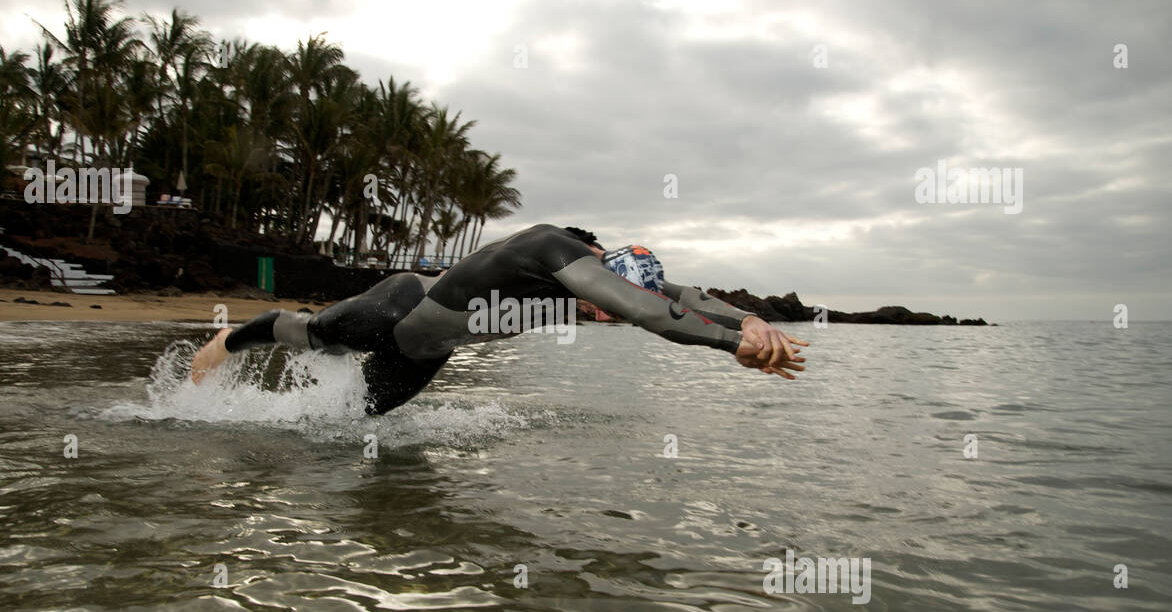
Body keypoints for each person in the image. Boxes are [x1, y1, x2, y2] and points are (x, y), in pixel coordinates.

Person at [190, 224, 808, 414]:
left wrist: (750, 321)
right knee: (316, 336)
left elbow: (685, 296)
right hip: (402, 304)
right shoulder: (551, 250)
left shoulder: (609, 275)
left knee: (351, 428)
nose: (598, 314)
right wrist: (732, 347)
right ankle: (227, 341)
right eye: (601, 304)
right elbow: (651, 312)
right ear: (597, 270)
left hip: (425, 350)